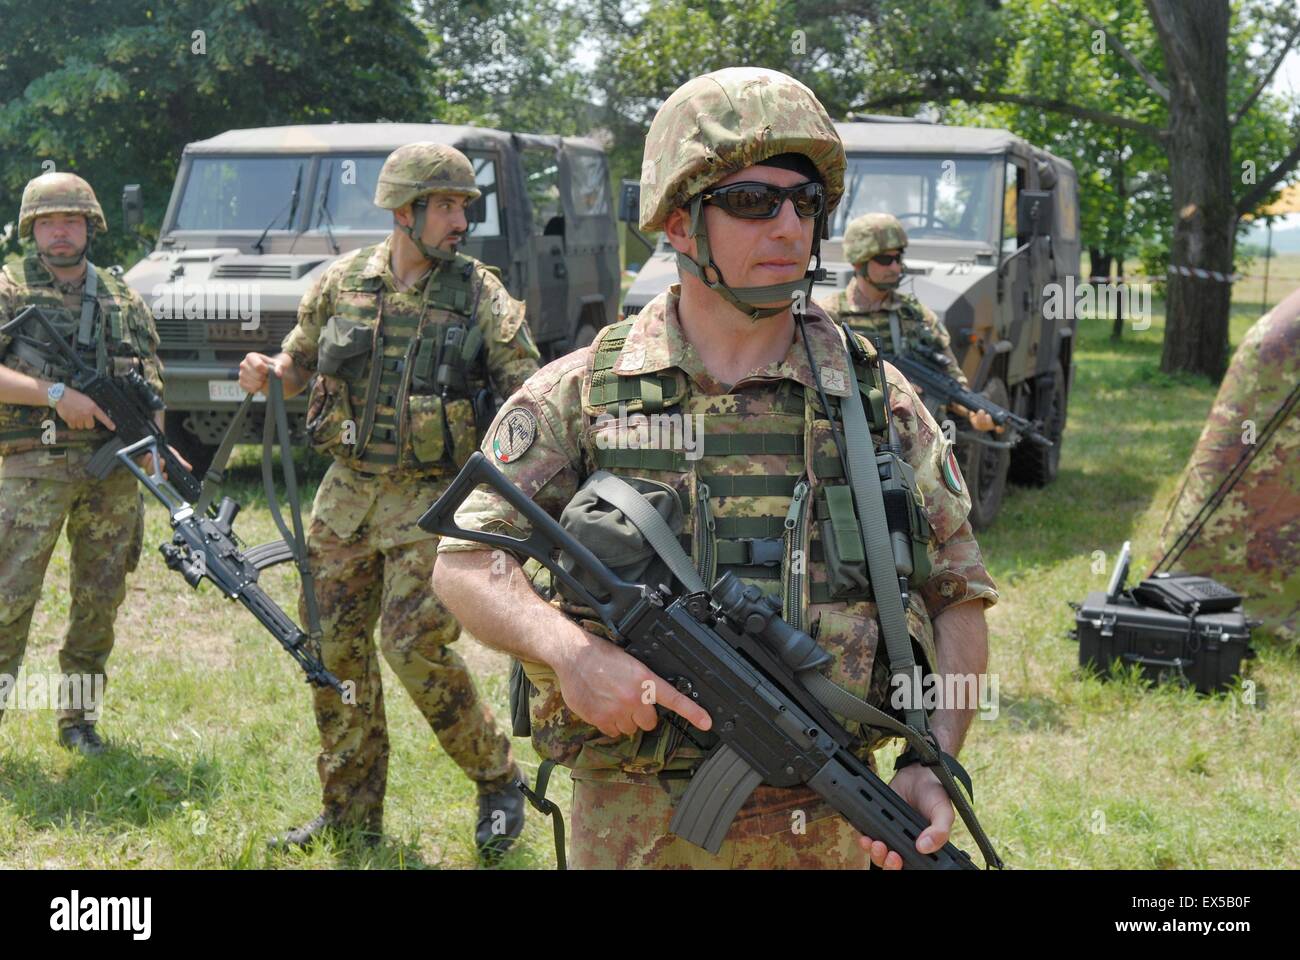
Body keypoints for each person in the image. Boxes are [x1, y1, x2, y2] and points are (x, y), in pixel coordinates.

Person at [433, 68, 999, 869]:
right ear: (677, 223)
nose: (789, 228)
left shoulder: (875, 400)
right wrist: (572, 656)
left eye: (806, 203)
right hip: (630, 828)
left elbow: (959, 595)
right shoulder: (583, 393)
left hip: (834, 827)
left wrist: (928, 757)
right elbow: (465, 562)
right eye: (752, 202)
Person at [239, 143, 539, 860]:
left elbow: (530, 401)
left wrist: (515, 501)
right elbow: (297, 365)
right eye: (446, 205)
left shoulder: (480, 295)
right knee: (332, 656)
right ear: (404, 211)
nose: (460, 219)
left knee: (411, 646)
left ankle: (497, 779)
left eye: (466, 205)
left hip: (434, 504)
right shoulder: (343, 283)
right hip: (346, 501)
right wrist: (268, 372)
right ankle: (349, 814)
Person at [0, 172, 167, 756]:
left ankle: (78, 719)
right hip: (32, 468)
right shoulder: (10, 290)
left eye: (71, 220)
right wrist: (55, 397)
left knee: (99, 600)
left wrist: (156, 447)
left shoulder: (124, 297)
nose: (60, 231)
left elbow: (150, 383)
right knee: (7, 598)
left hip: (113, 471)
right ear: (31, 230)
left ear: (90, 225)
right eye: (48, 222)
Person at [818, 212, 995, 433]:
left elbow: (950, 377)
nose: (894, 267)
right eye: (884, 259)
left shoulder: (916, 315)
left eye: (898, 257)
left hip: (915, 437)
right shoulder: (829, 315)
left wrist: (972, 412)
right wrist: (894, 389)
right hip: (852, 433)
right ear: (858, 262)